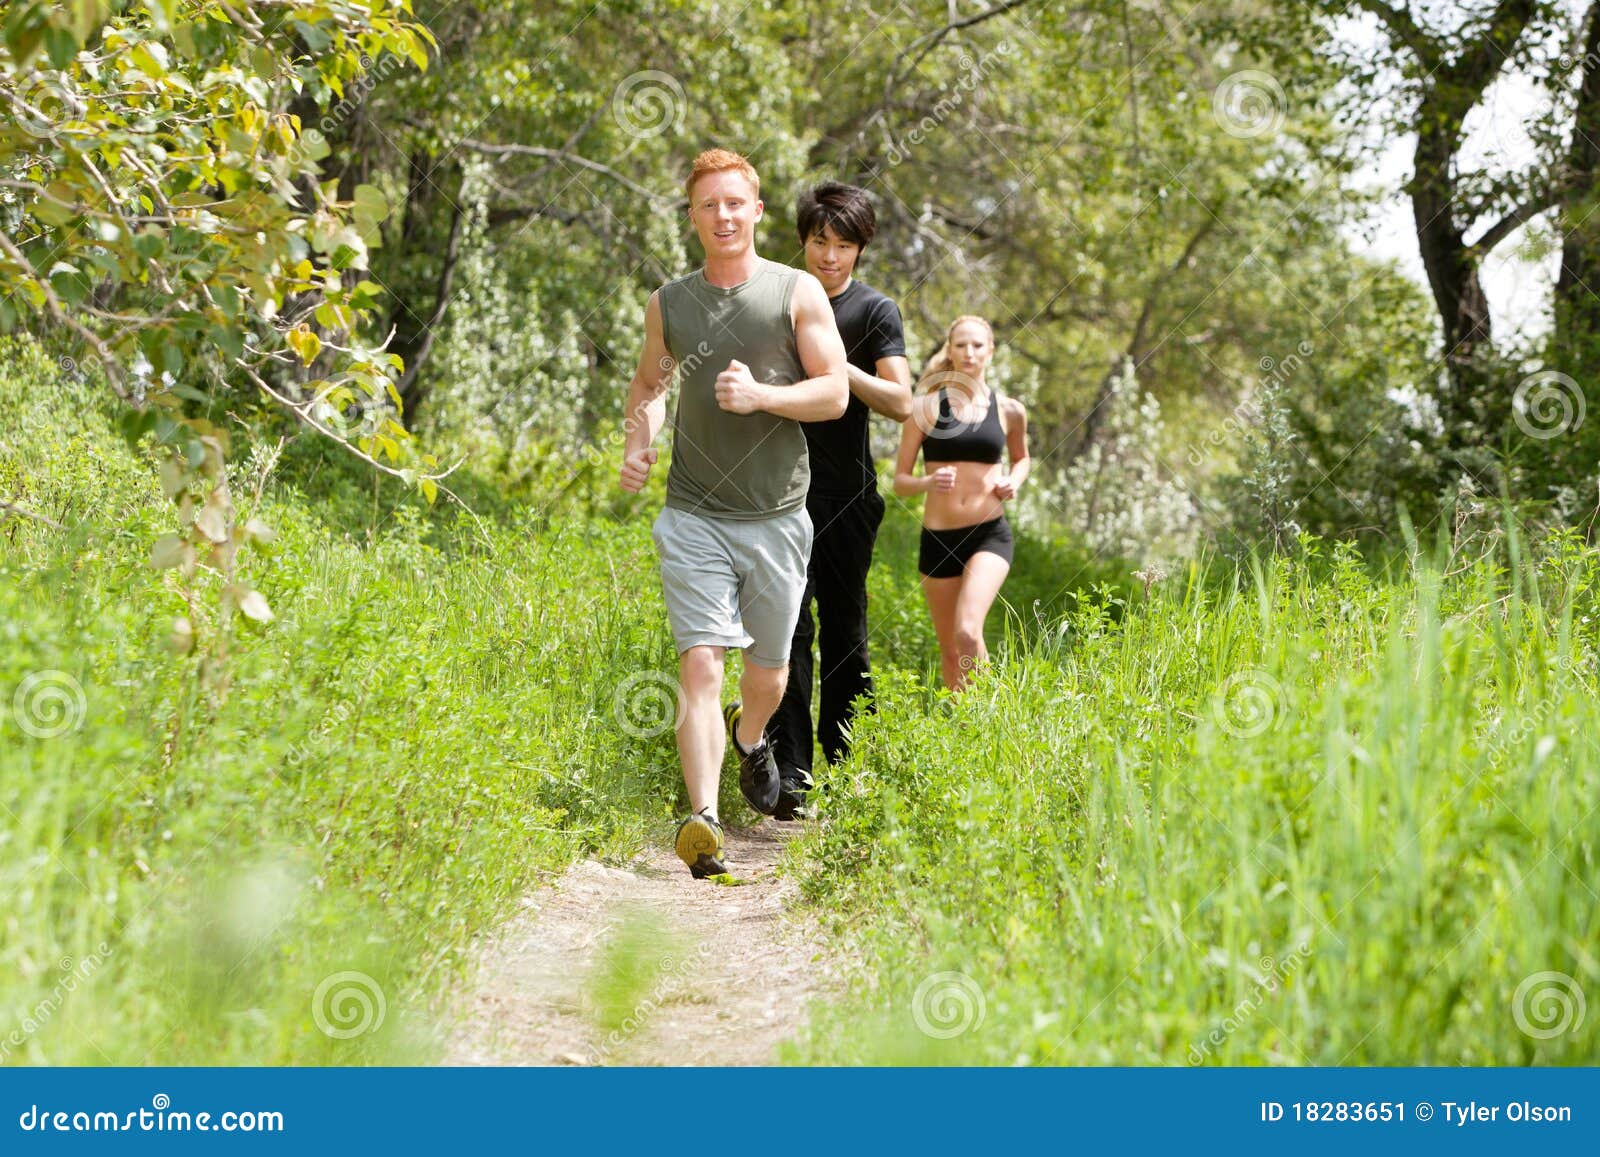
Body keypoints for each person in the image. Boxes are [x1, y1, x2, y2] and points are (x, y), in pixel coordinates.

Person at [620, 148, 848, 879]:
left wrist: (763, 397)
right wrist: (639, 443)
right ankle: (704, 821)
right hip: (693, 513)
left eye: (734, 203)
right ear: (692, 216)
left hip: (777, 517)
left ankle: (750, 738)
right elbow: (649, 387)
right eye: (708, 204)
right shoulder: (670, 303)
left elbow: (835, 392)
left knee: (768, 674)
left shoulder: (795, 292)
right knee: (700, 661)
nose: (722, 215)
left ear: (756, 211)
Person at [764, 182, 911, 819]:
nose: (830, 256)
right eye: (820, 241)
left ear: (860, 249)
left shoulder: (875, 311)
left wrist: (835, 366)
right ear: (802, 240)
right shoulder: (776, 300)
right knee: (788, 631)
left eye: (843, 245)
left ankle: (850, 768)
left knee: (846, 631)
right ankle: (790, 776)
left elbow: (901, 401)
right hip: (778, 494)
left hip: (848, 497)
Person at [893, 316, 1030, 691]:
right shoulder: (925, 409)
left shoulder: (1009, 410)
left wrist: (1013, 480)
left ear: (991, 351)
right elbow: (900, 481)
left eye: (977, 345)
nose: (969, 352)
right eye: (961, 345)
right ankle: (963, 722)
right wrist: (928, 481)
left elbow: (1022, 459)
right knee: (951, 651)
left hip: (989, 534)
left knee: (968, 632)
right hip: (939, 540)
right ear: (950, 351)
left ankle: (990, 715)